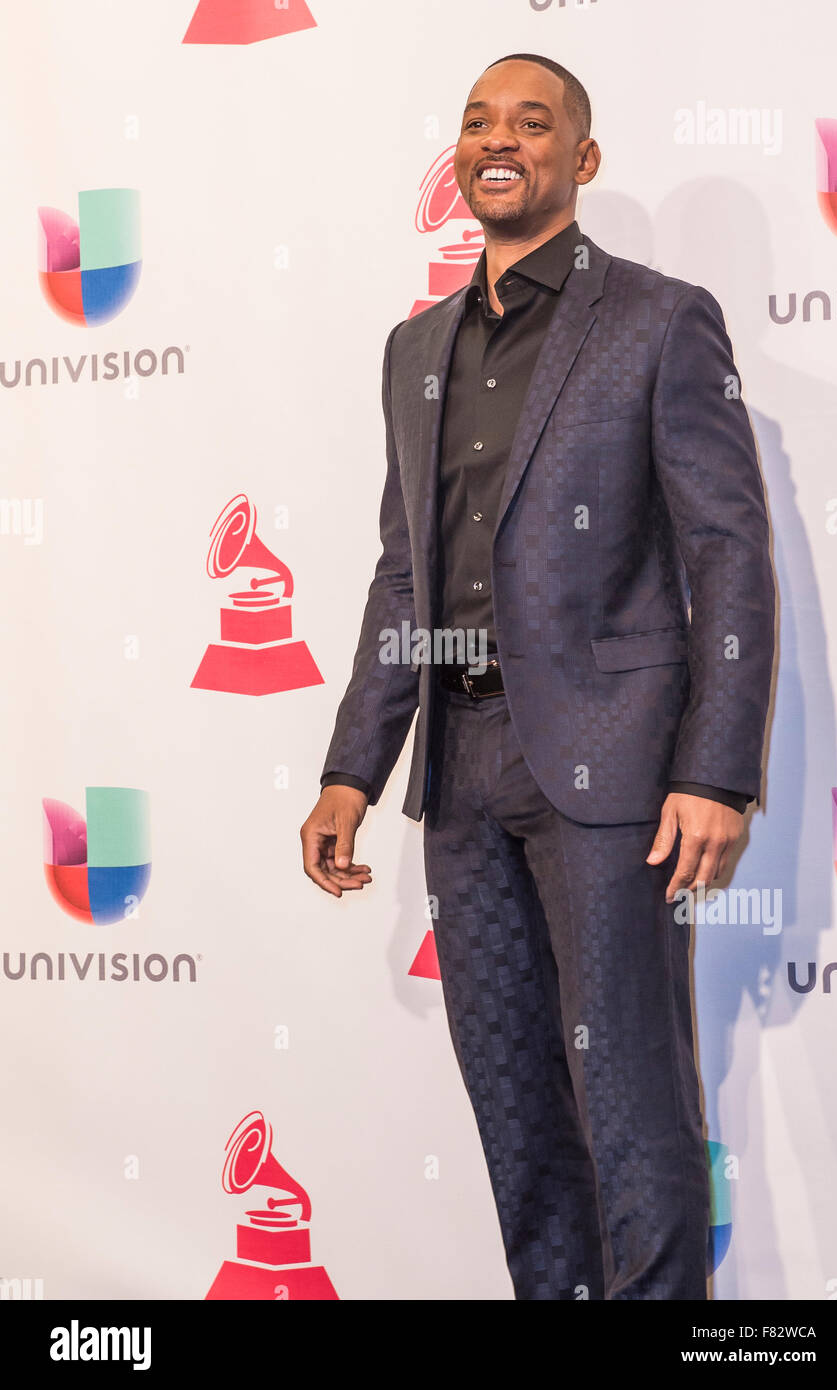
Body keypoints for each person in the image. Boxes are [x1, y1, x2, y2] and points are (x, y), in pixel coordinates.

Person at [300, 52, 775, 1300]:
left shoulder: (659, 319)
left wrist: (715, 769)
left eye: (531, 120)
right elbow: (405, 577)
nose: (496, 139)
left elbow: (728, 552)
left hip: (611, 773)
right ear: (456, 158)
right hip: (458, 781)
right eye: (474, 122)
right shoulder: (411, 349)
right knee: (518, 1123)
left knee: (631, 1108)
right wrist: (354, 766)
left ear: (582, 158)